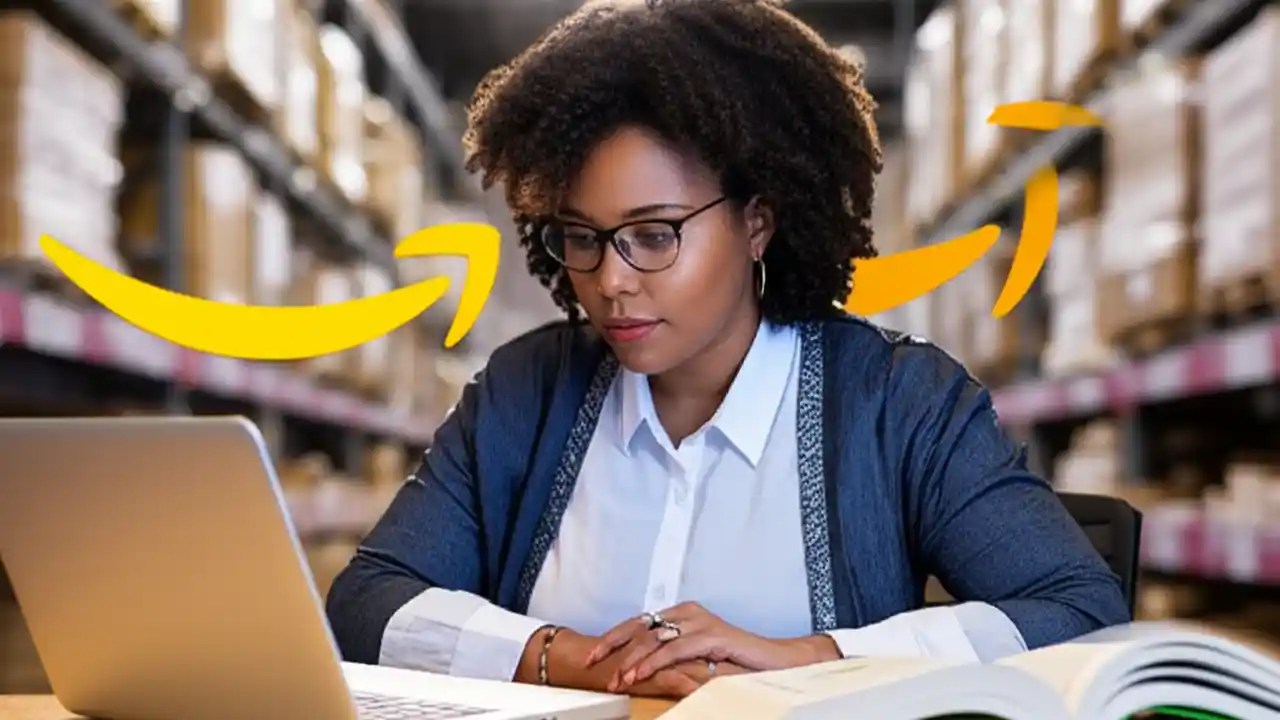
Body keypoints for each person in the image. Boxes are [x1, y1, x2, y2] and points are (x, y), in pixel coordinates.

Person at [326, 0, 1130, 700]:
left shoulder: (899, 402)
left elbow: (1077, 610)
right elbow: (368, 601)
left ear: (757, 222)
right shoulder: (523, 393)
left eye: (653, 234)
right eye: (581, 237)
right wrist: (568, 659)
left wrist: (812, 663)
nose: (610, 281)